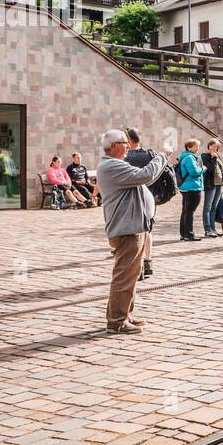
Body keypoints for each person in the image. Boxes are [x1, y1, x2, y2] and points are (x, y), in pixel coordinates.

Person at [96, 129, 168, 335]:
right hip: (127, 229)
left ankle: (125, 314)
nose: (128, 145)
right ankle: (117, 321)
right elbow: (146, 175)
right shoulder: (111, 166)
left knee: (132, 274)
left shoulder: (115, 164)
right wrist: (162, 156)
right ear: (114, 146)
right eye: (124, 142)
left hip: (133, 226)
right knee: (124, 275)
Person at [125, 128, 159, 278]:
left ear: (129, 140)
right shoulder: (149, 154)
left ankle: (138, 268)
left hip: (132, 198)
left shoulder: (125, 158)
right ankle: (148, 261)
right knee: (147, 230)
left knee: (134, 233)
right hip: (150, 198)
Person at [178, 139, 205, 241]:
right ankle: (189, 234)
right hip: (192, 187)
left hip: (187, 187)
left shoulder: (186, 156)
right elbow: (194, 172)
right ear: (189, 147)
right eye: (195, 146)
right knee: (189, 211)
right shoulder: (189, 157)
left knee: (185, 211)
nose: (197, 148)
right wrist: (203, 169)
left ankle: (184, 234)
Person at [201, 139, 223, 238]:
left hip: (219, 184)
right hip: (210, 185)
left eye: (215, 146)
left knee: (214, 207)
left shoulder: (217, 156)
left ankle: (213, 228)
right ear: (208, 146)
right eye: (211, 145)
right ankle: (207, 229)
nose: (213, 148)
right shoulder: (205, 157)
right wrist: (213, 158)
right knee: (207, 207)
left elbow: (221, 170)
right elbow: (210, 170)